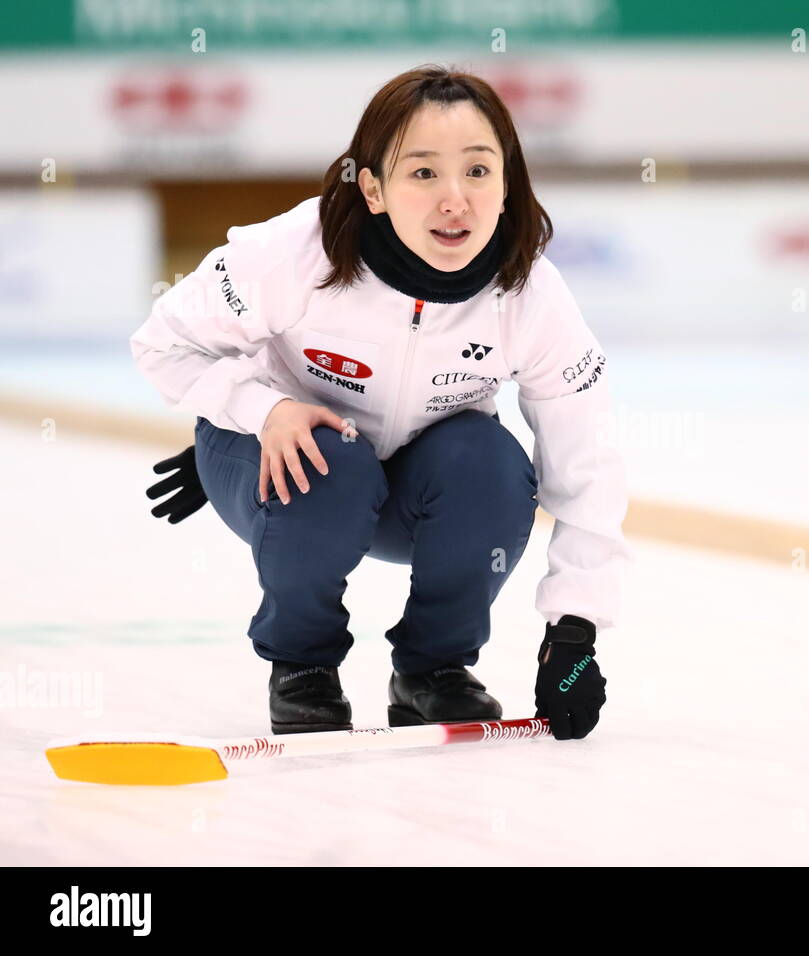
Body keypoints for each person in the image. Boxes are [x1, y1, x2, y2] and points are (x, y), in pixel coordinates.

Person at [131, 64, 629, 741]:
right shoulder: (294, 253)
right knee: (330, 464)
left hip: (414, 491)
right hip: (288, 458)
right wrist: (251, 412)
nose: (455, 198)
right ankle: (303, 667)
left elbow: (587, 464)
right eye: (423, 173)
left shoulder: (532, 297)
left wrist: (575, 632)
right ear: (373, 188)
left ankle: (434, 670)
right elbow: (161, 344)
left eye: (478, 171)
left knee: (490, 464)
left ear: (507, 182)